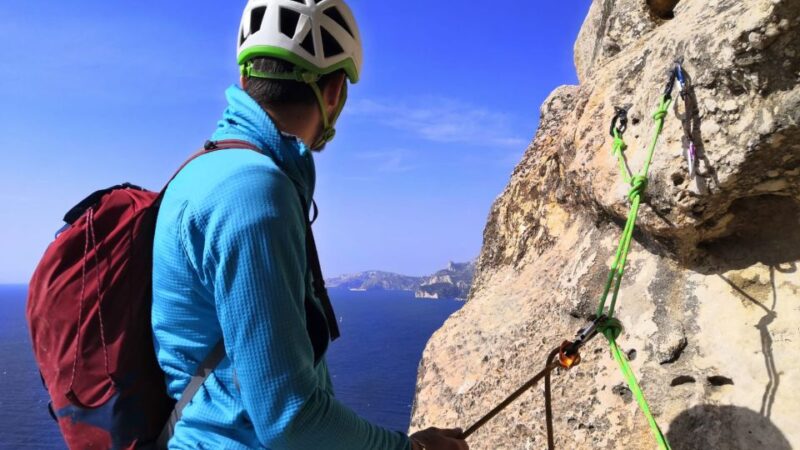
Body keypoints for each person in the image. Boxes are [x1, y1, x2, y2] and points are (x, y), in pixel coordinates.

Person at [151, 1, 470, 449]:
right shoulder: (255, 193)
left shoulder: (198, 172)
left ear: (244, 81)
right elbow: (290, 418)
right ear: (335, 92)